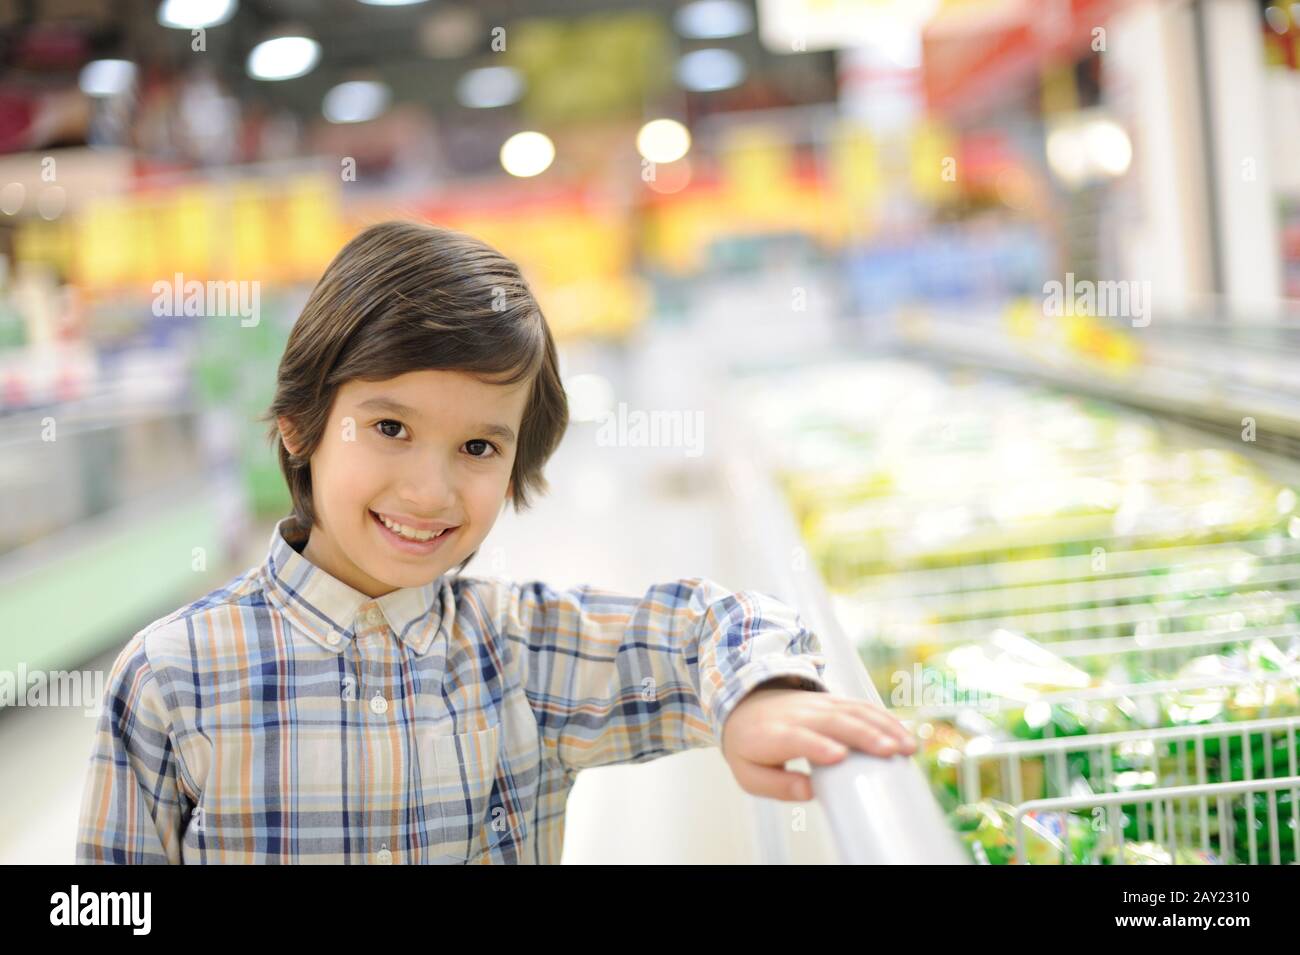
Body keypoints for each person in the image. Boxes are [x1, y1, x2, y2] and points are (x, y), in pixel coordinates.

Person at [76, 220, 916, 864]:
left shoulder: (522, 650)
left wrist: (755, 693)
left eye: (479, 447)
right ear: (301, 425)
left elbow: (715, 621)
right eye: (391, 426)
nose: (430, 490)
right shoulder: (171, 678)